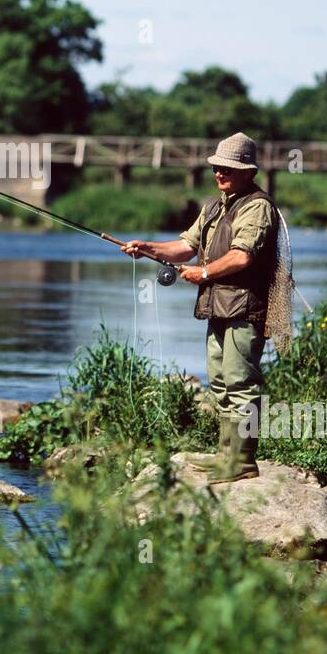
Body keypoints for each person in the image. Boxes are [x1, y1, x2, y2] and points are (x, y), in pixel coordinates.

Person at [122, 131, 278, 482]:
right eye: (216, 167)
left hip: (244, 310)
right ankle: (226, 455)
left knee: (241, 384)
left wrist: (204, 271)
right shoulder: (212, 206)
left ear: (248, 171)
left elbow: (242, 256)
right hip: (217, 307)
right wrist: (146, 247)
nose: (220, 172)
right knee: (220, 383)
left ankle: (242, 462)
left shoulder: (257, 206)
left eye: (228, 167)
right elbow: (184, 247)